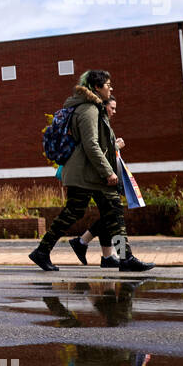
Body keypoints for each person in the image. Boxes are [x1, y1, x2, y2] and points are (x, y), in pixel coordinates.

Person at [29, 70, 154, 272]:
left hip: (88, 173)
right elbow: (91, 144)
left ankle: (43, 251)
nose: (110, 88)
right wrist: (108, 172)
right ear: (97, 87)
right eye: (108, 85)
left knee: (104, 213)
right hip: (88, 174)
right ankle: (124, 258)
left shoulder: (90, 107)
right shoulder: (88, 109)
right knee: (97, 213)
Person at [68, 96, 125, 263]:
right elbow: (95, 149)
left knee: (110, 216)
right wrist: (116, 147)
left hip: (102, 179)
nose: (114, 111)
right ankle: (123, 256)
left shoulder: (102, 123)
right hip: (101, 179)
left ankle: (102, 253)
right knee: (115, 216)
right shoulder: (97, 122)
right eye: (112, 108)